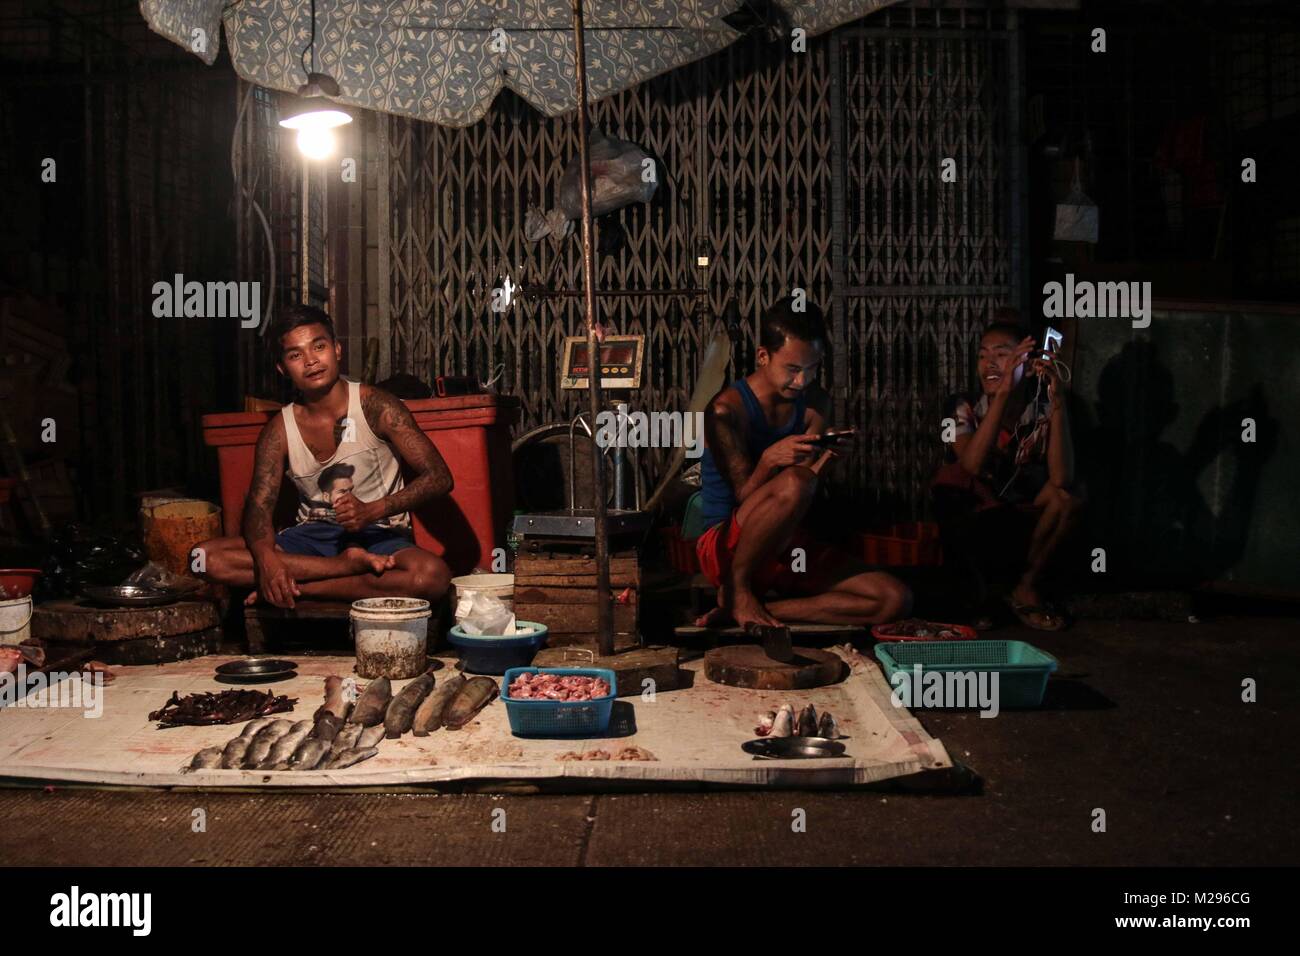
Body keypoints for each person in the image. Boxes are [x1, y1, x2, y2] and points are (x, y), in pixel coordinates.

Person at [198, 305, 454, 607]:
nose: (310, 361)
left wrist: (374, 509)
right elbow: (258, 508)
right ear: (283, 368)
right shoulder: (279, 429)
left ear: (336, 349)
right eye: (295, 355)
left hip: (379, 534)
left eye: (318, 347)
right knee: (203, 559)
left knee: (431, 577)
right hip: (312, 539)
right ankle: (347, 568)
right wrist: (268, 561)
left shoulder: (376, 406)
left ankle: (302, 589)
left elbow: (440, 477)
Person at [693, 296, 910, 630]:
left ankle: (757, 608)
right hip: (726, 549)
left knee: (894, 598)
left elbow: (806, 484)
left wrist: (828, 457)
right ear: (763, 356)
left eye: (812, 369)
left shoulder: (814, 402)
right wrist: (768, 460)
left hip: (784, 545)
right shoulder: (726, 411)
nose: (802, 381)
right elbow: (744, 497)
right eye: (793, 369)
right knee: (794, 482)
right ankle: (737, 589)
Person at [933, 311, 1082, 630]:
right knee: (950, 480)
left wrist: (1057, 404)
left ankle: (1026, 586)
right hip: (980, 520)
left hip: (1025, 517)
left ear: (1028, 365)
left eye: (1003, 355)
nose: (990, 364)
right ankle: (977, 595)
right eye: (983, 356)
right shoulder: (961, 406)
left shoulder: (1042, 407)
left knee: (1070, 496)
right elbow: (970, 465)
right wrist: (1000, 395)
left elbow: (1062, 479)